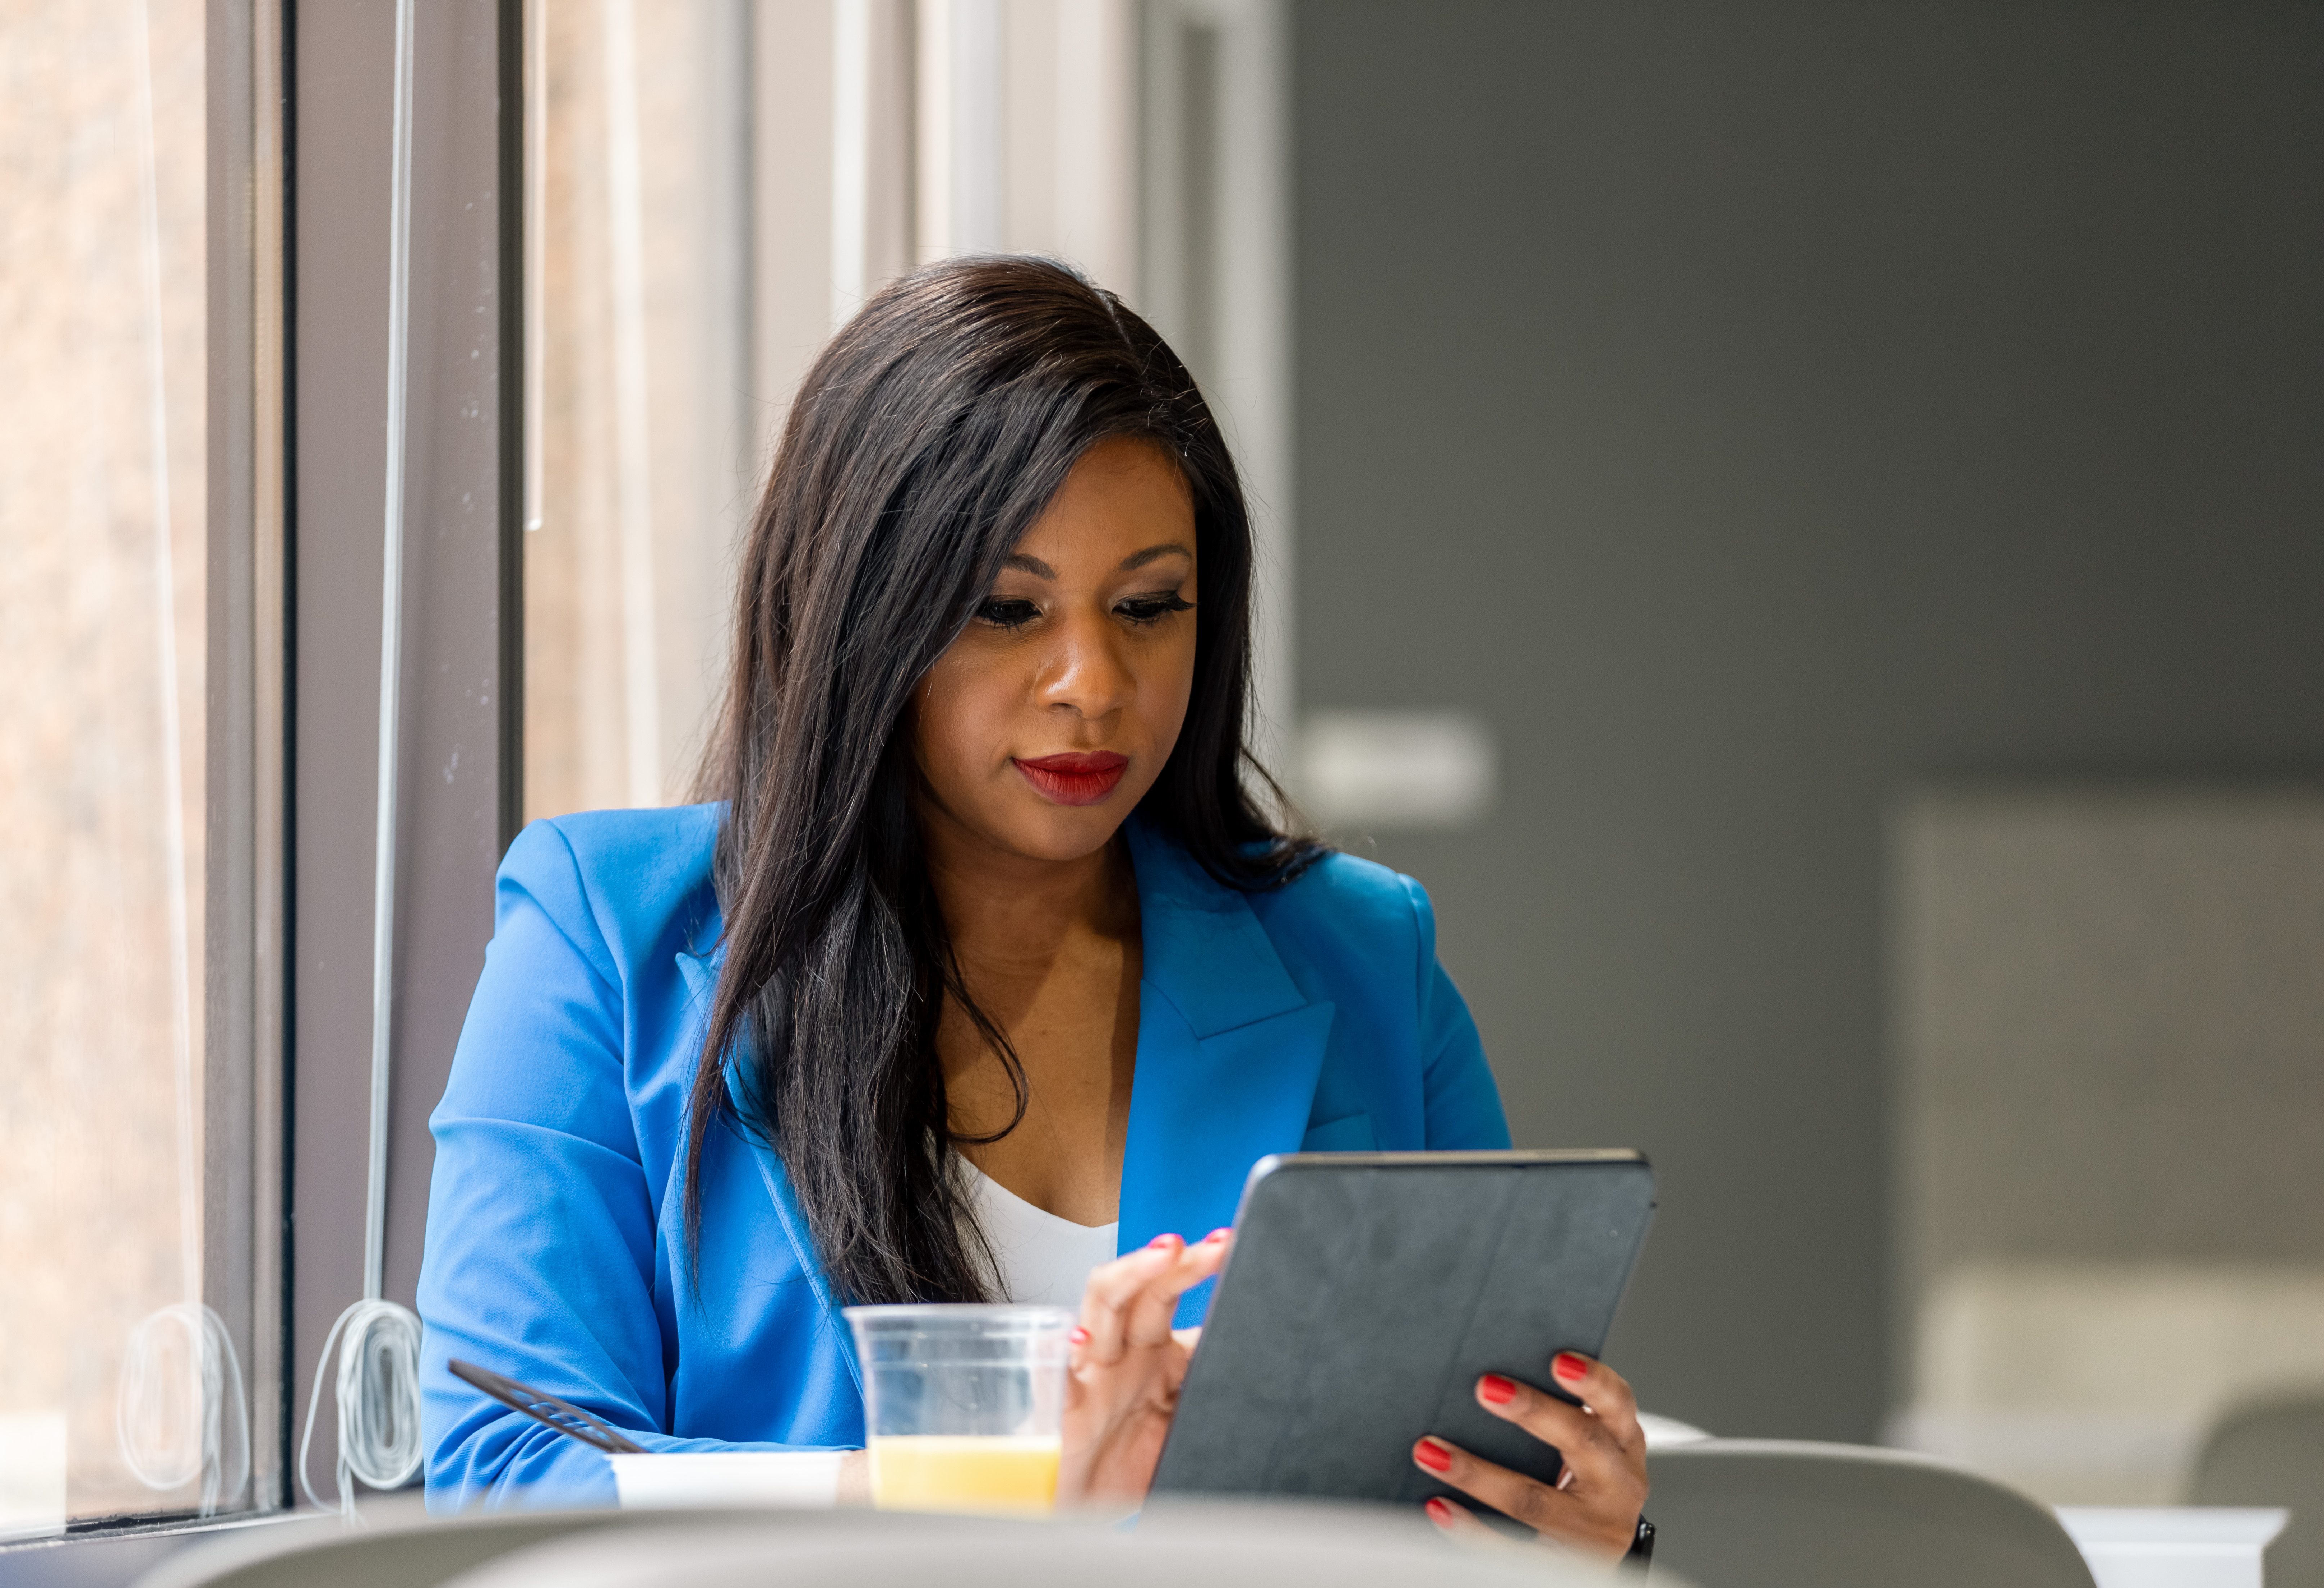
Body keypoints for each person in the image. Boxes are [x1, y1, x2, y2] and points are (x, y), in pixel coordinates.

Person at [415, 256, 1650, 1559]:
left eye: (1147, 607)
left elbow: (1454, 1494)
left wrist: (1587, 1541)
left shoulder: (1362, 954)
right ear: (857, 617)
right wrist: (986, 1489)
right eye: (1009, 609)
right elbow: (501, 1482)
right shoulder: (603, 938)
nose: (1092, 683)